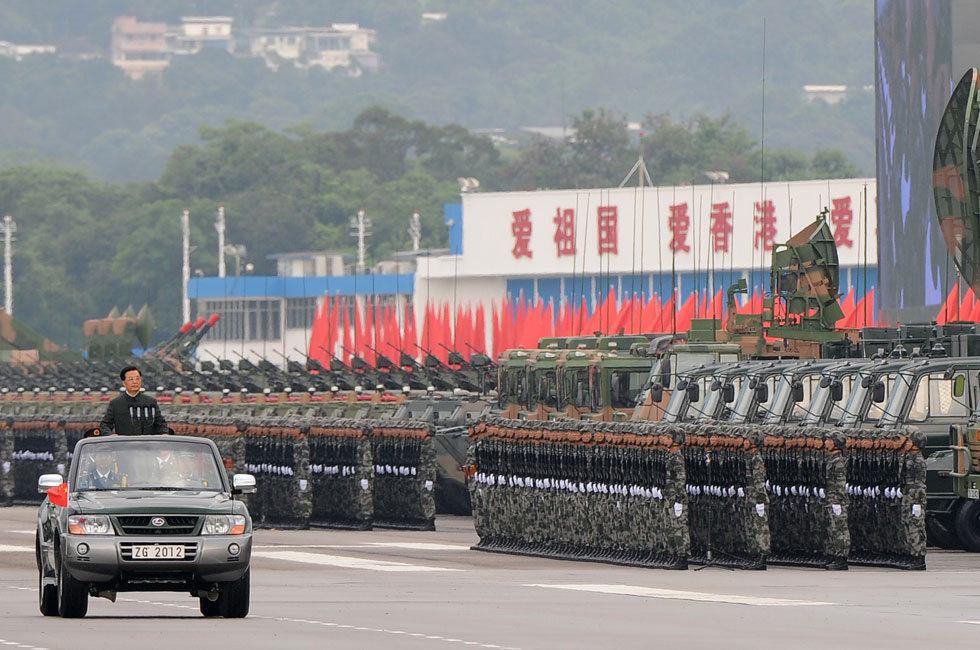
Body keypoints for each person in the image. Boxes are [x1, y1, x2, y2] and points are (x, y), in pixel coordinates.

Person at [99, 365, 168, 436]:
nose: (135, 382)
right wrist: (111, 435)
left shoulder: (150, 402)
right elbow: (105, 425)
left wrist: (164, 433)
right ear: (124, 383)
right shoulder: (116, 403)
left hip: (147, 444)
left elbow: (160, 423)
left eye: (137, 379)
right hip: (124, 444)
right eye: (131, 379)